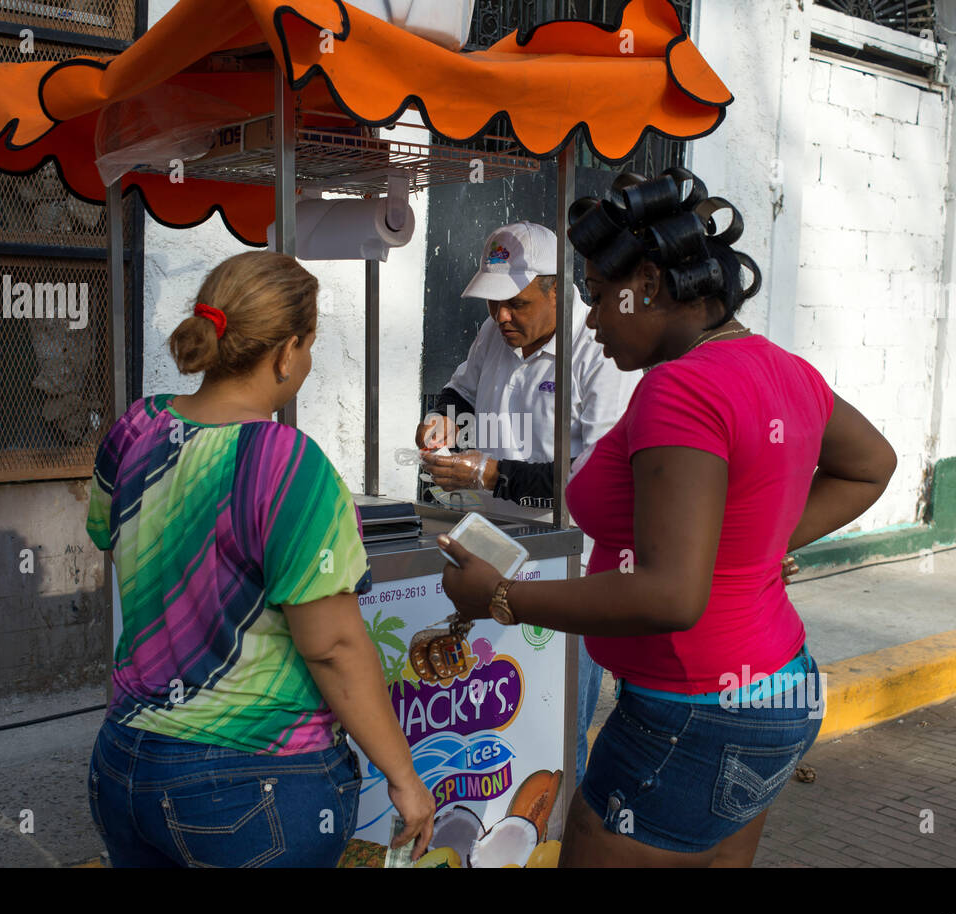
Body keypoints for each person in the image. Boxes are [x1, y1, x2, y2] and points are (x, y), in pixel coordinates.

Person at [437, 168, 897, 867]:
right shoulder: (783, 368)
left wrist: (499, 598)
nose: (590, 318)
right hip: (779, 687)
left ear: (647, 283)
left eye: (597, 297)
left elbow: (668, 595)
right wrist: (756, 547)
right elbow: (871, 464)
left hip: (692, 713)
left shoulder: (679, 388)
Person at [85, 251, 434, 867]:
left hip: (125, 760)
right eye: (310, 344)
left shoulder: (136, 428)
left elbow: (119, 552)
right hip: (252, 782)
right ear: (286, 351)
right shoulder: (288, 462)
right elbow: (332, 646)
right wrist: (403, 776)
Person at [413, 221, 642, 789]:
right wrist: (442, 419)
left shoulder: (600, 357)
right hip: (491, 542)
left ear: (557, 290)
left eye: (517, 304)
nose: (502, 318)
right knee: (495, 700)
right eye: (493, 306)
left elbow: (592, 478)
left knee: (557, 717)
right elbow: (460, 388)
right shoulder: (494, 334)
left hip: (570, 560)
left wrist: (491, 472)